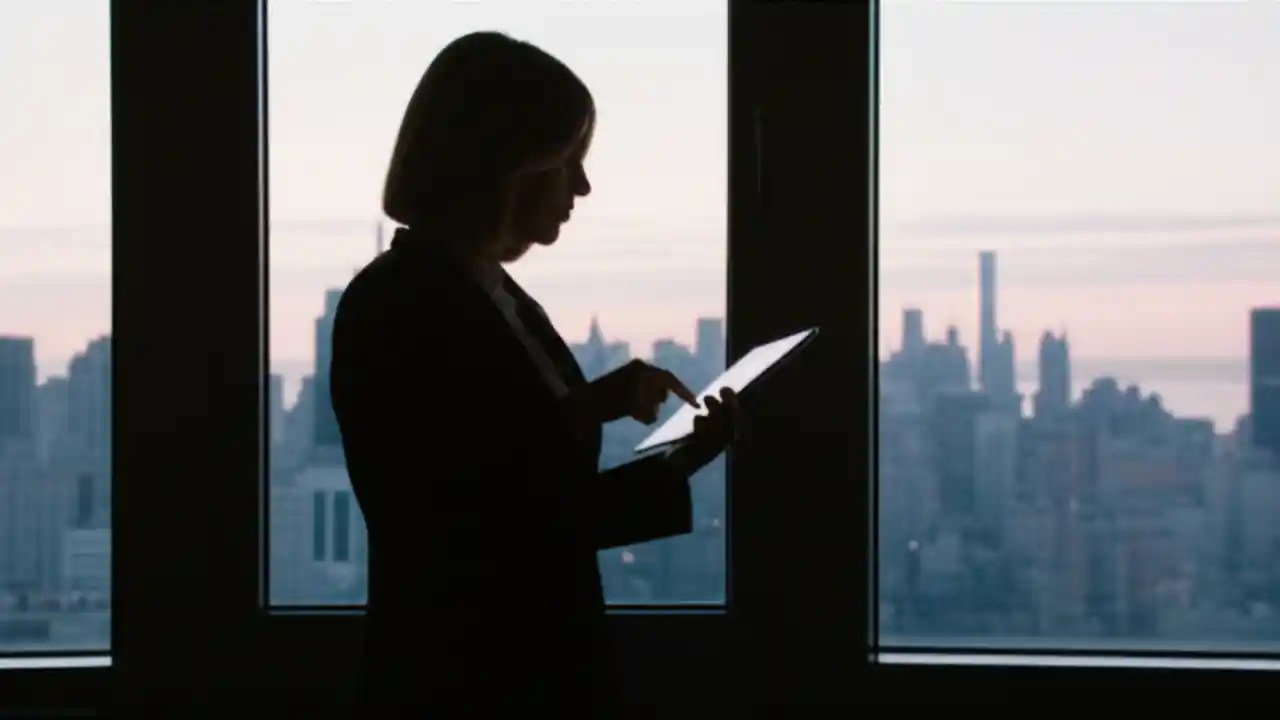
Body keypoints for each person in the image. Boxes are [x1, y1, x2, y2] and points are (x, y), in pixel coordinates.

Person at [328, 31, 740, 716]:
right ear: (509, 163)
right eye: (569, 159)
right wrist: (663, 457)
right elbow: (488, 522)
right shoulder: (399, 307)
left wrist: (605, 416)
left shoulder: (492, 297)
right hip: (469, 683)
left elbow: (511, 468)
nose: (581, 185)